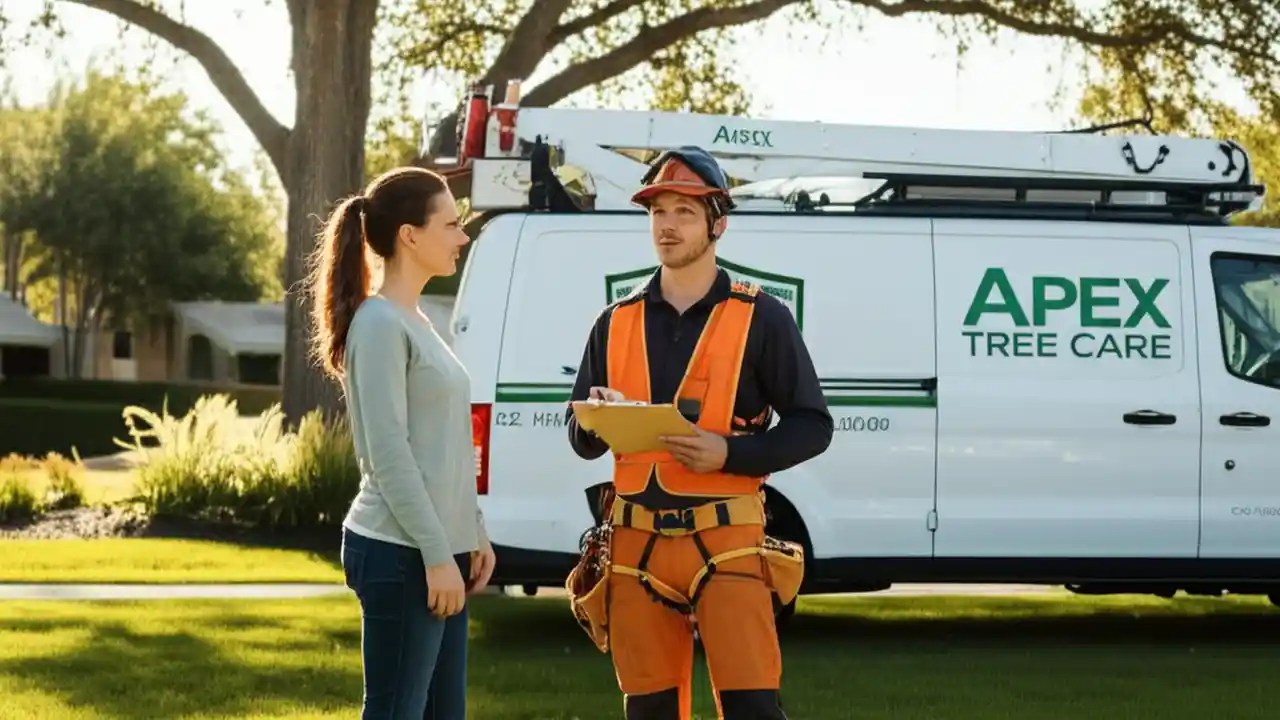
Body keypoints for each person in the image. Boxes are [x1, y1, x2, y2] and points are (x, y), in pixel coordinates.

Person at [565, 147, 834, 719]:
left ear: (719, 222)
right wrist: (597, 418)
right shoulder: (612, 322)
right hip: (634, 547)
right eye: (658, 211)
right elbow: (580, 438)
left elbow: (813, 426)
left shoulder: (763, 318)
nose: (667, 225)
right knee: (649, 713)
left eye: (685, 212)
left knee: (753, 710)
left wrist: (730, 453)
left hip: (729, 541)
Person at [306, 166, 496, 720]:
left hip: (438, 549)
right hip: (399, 550)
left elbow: (446, 448)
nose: (463, 236)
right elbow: (388, 454)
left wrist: (471, 534)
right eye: (452, 224)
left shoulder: (416, 319)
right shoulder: (380, 324)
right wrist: (438, 555)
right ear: (410, 236)